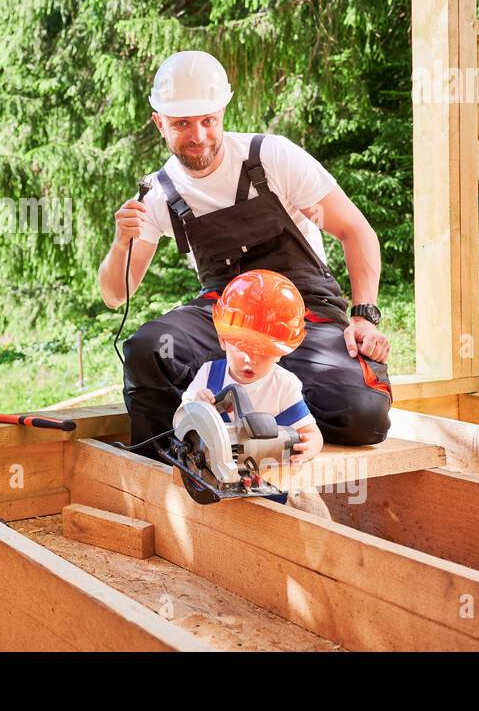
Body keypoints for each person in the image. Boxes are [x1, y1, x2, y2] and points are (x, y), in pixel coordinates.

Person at [99, 49, 392, 459]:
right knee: (150, 347)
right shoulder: (160, 192)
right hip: (225, 317)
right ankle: (173, 453)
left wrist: (364, 315)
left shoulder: (272, 157)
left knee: (363, 414)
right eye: (182, 123)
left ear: (222, 112)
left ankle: (257, 409)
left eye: (208, 120)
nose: (198, 136)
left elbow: (355, 230)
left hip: (301, 311)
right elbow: (116, 295)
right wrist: (120, 243)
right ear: (159, 122)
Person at [181, 269, 324, 467]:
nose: (250, 359)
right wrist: (196, 407)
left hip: (270, 475)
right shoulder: (209, 374)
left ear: (280, 352)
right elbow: (178, 422)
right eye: (242, 347)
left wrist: (311, 446)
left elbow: (311, 433)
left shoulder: (283, 384)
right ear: (223, 340)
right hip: (212, 472)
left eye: (264, 352)